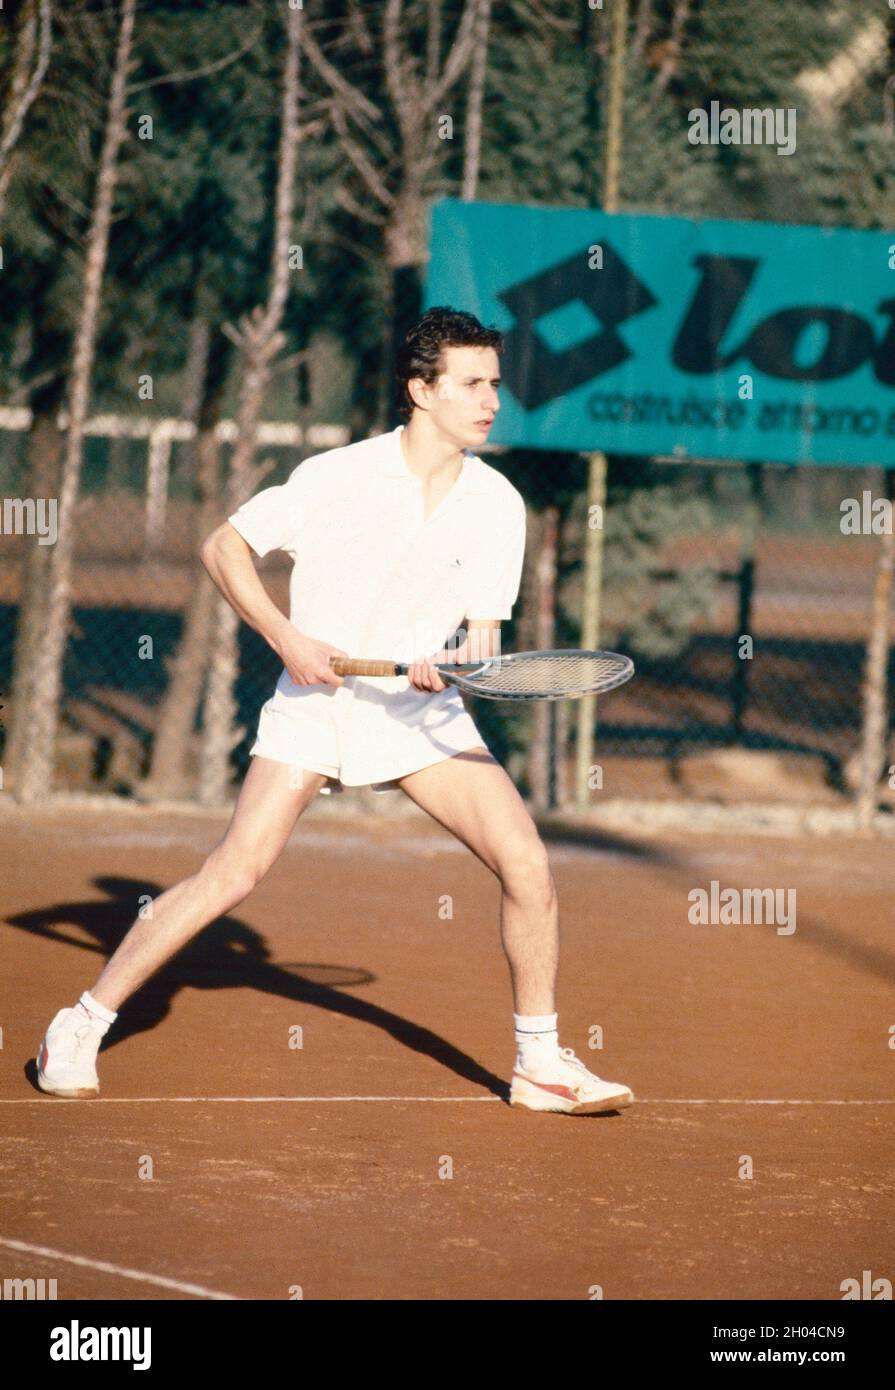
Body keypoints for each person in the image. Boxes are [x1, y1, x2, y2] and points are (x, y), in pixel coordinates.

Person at [35, 306, 633, 1116]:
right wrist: (285, 636)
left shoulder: (498, 505)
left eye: (494, 383)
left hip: (422, 722)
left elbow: (483, 644)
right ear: (421, 390)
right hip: (316, 707)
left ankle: (537, 1064)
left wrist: (451, 667)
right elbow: (223, 548)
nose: (491, 400)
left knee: (526, 864)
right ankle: (81, 1022)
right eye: (471, 384)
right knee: (233, 875)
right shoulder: (336, 475)